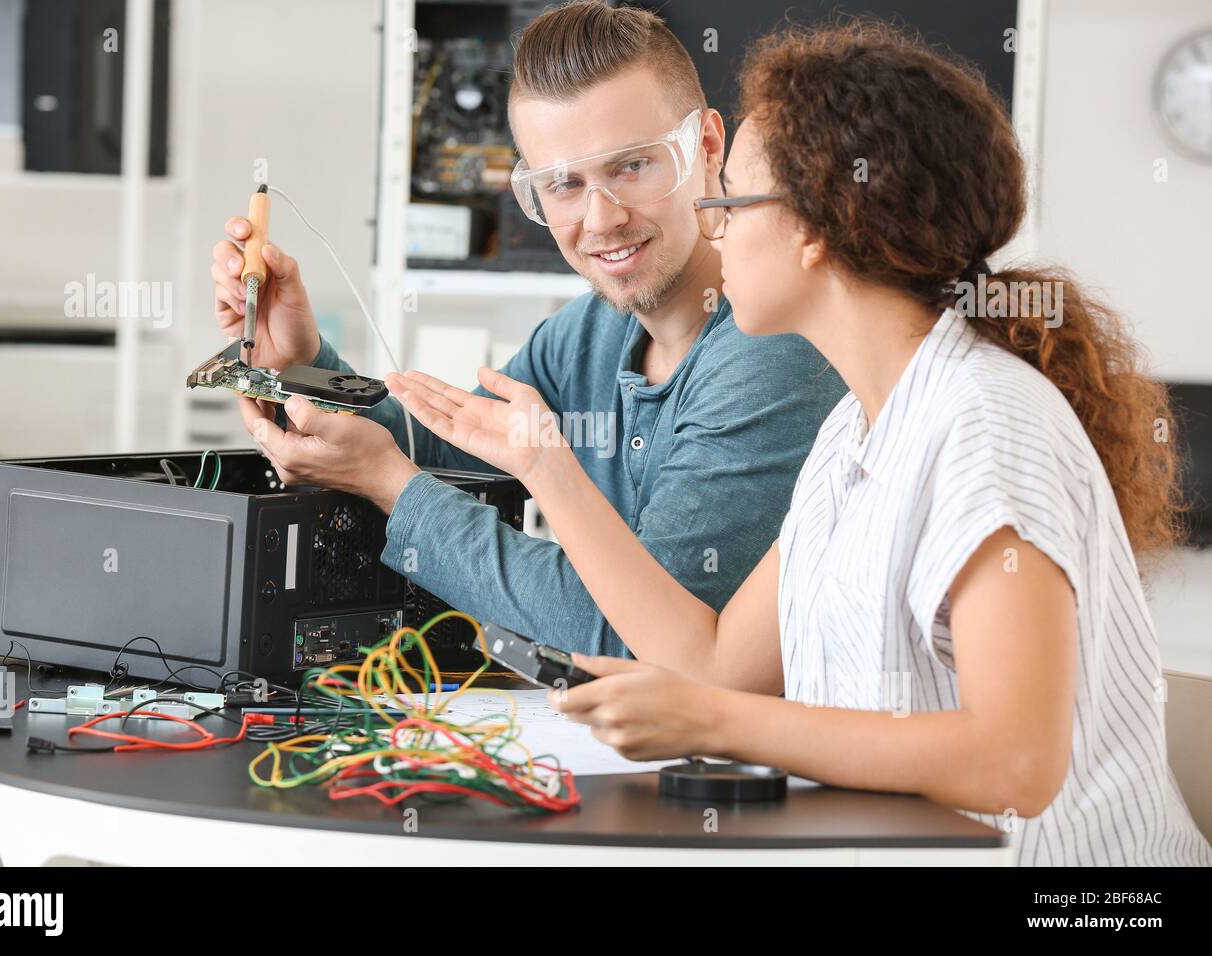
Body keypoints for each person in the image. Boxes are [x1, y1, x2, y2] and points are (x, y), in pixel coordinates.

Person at [388, 20, 1212, 866]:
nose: (711, 226)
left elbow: (1016, 763)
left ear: (814, 229)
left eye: (731, 200)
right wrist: (546, 467)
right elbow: (711, 665)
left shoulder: (986, 421)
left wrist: (716, 724)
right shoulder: (851, 435)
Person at [209, 1, 844, 657]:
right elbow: (446, 447)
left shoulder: (771, 355)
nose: (602, 219)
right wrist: (302, 362)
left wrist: (390, 485)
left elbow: (640, 638)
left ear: (706, 146)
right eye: (563, 183)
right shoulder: (588, 334)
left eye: (632, 166)